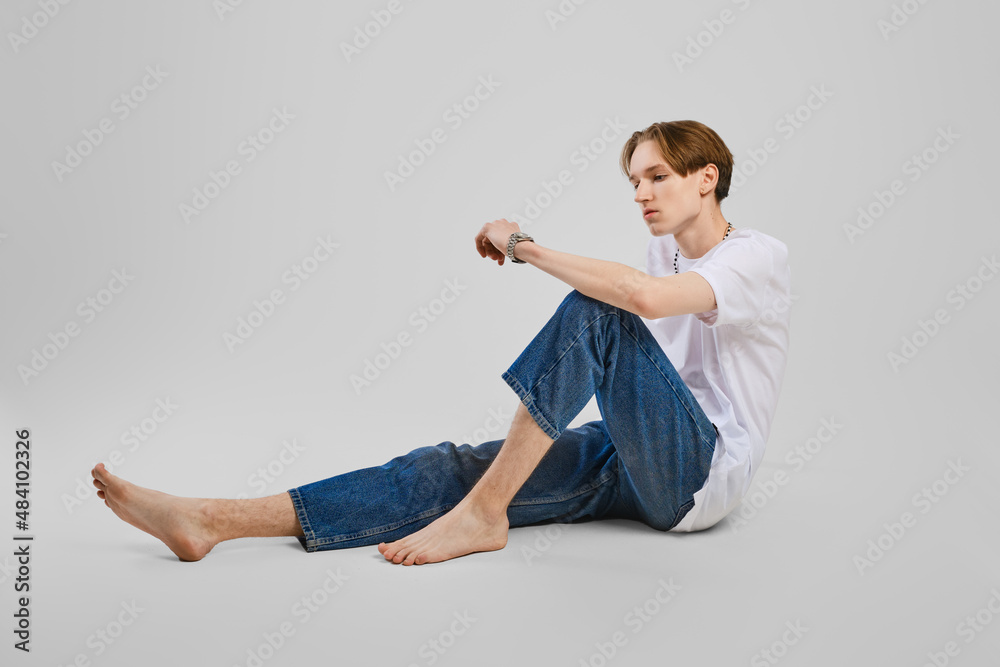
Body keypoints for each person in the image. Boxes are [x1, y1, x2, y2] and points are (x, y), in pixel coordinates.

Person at [91, 120, 791, 566]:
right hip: (631, 451)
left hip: (699, 475)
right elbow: (641, 317)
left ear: (708, 178)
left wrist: (521, 245)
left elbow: (636, 303)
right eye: (633, 179)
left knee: (599, 311)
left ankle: (485, 517)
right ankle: (210, 519)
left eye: (658, 176)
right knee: (449, 469)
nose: (640, 192)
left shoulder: (757, 257)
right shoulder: (661, 249)